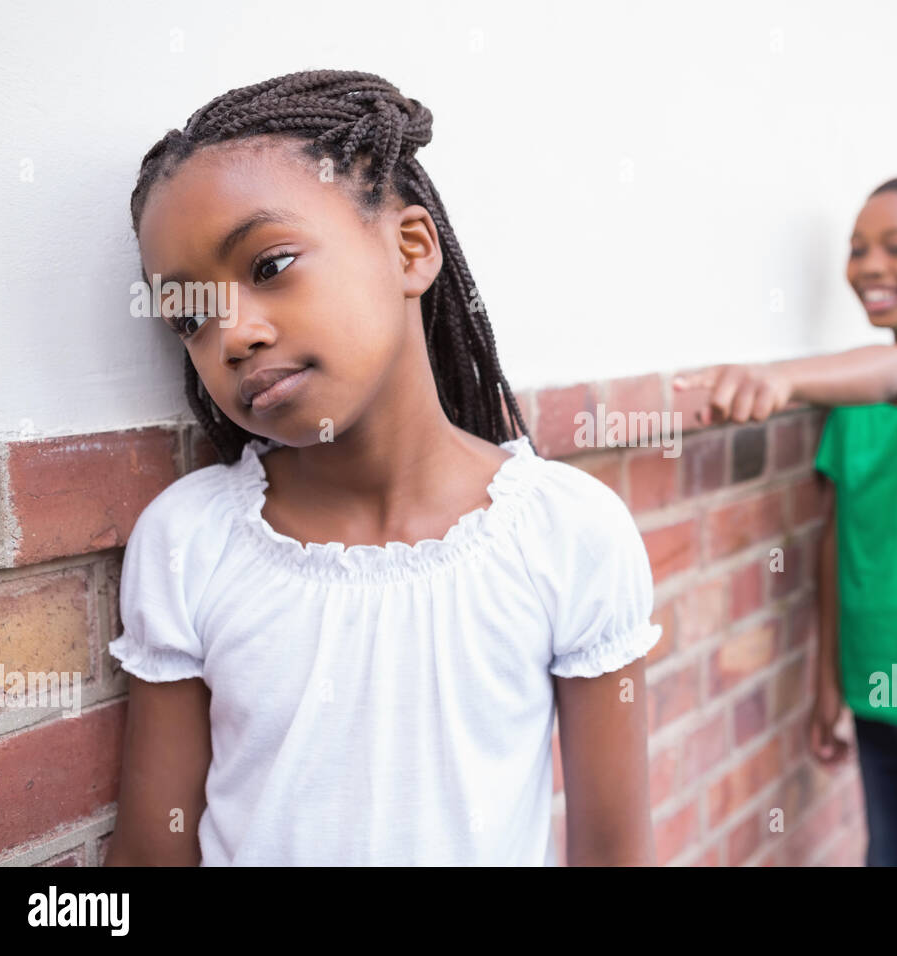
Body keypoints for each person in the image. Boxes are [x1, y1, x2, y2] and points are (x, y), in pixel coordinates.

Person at [104, 70, 660, 866]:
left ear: (410, 249)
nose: (233, 336)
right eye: (190, 314)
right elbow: (148, 860)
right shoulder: (189, 541)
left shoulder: (567, 533)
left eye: (269, 266)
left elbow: (614, 853)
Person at [673, 176, 897, 866]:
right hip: (879, 694)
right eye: (857, 249)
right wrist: (828, 684)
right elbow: (837, 542)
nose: (871, 265)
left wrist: (783, 378)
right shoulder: (850, 399)